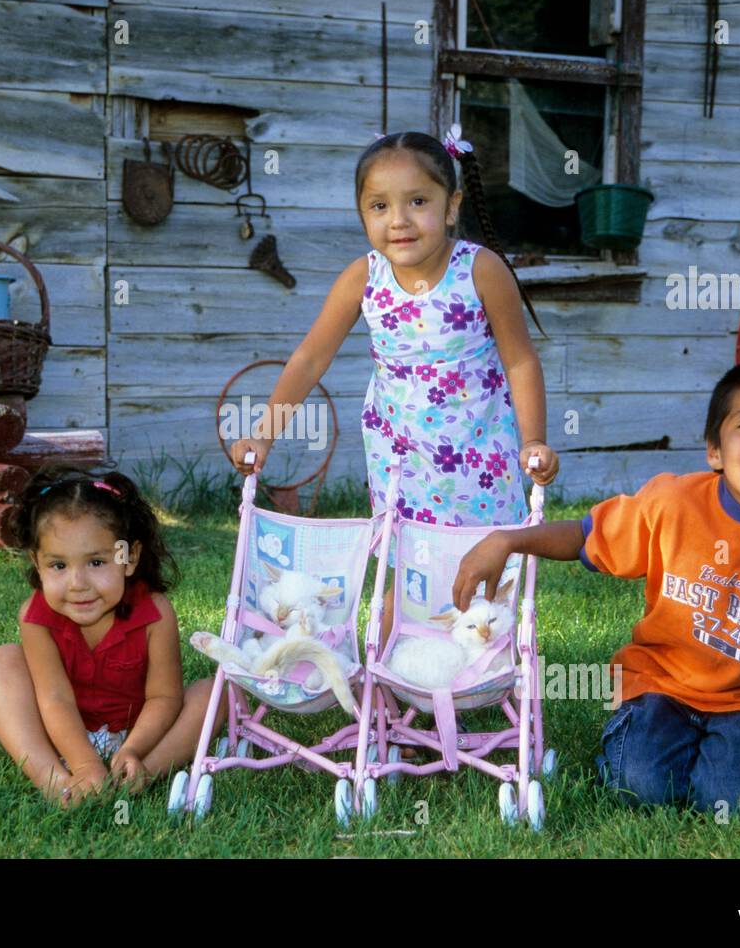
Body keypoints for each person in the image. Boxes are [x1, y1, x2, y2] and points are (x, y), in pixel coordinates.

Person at [452, 357, 740, 841]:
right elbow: (584, 537)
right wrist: (507, 540)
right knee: (639, 785)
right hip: (662, 685)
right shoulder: (674, 504)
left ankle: (737, 758)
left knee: (733, 799)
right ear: (715, 451)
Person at [229, 126, 559, 638]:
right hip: (402, 460)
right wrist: (265, 433)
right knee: (408, 574)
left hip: (481, 456)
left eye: (417, 201)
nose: (399, 221)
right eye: (379, 207)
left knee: (484, 576)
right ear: (362, 214)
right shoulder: (364, 278)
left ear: (452, 206)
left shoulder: (481, 270)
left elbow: (520, 361)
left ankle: (480, 675)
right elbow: (310, 359)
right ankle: (390, 675)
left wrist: (534, 438)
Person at [0, 466, 214, 806]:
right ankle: (53, 779)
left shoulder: (155, 613)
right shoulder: (35, 617)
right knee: (2, 661)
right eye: (58, 566)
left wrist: (135, 748)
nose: (78, 584)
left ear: (129, 558)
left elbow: (165, 697)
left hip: (138, 735)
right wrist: (84, 762)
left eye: (96, 563)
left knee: (216, 692)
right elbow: (54, 698)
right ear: (37, 563)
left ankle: (141, 774)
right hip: (63, 733)